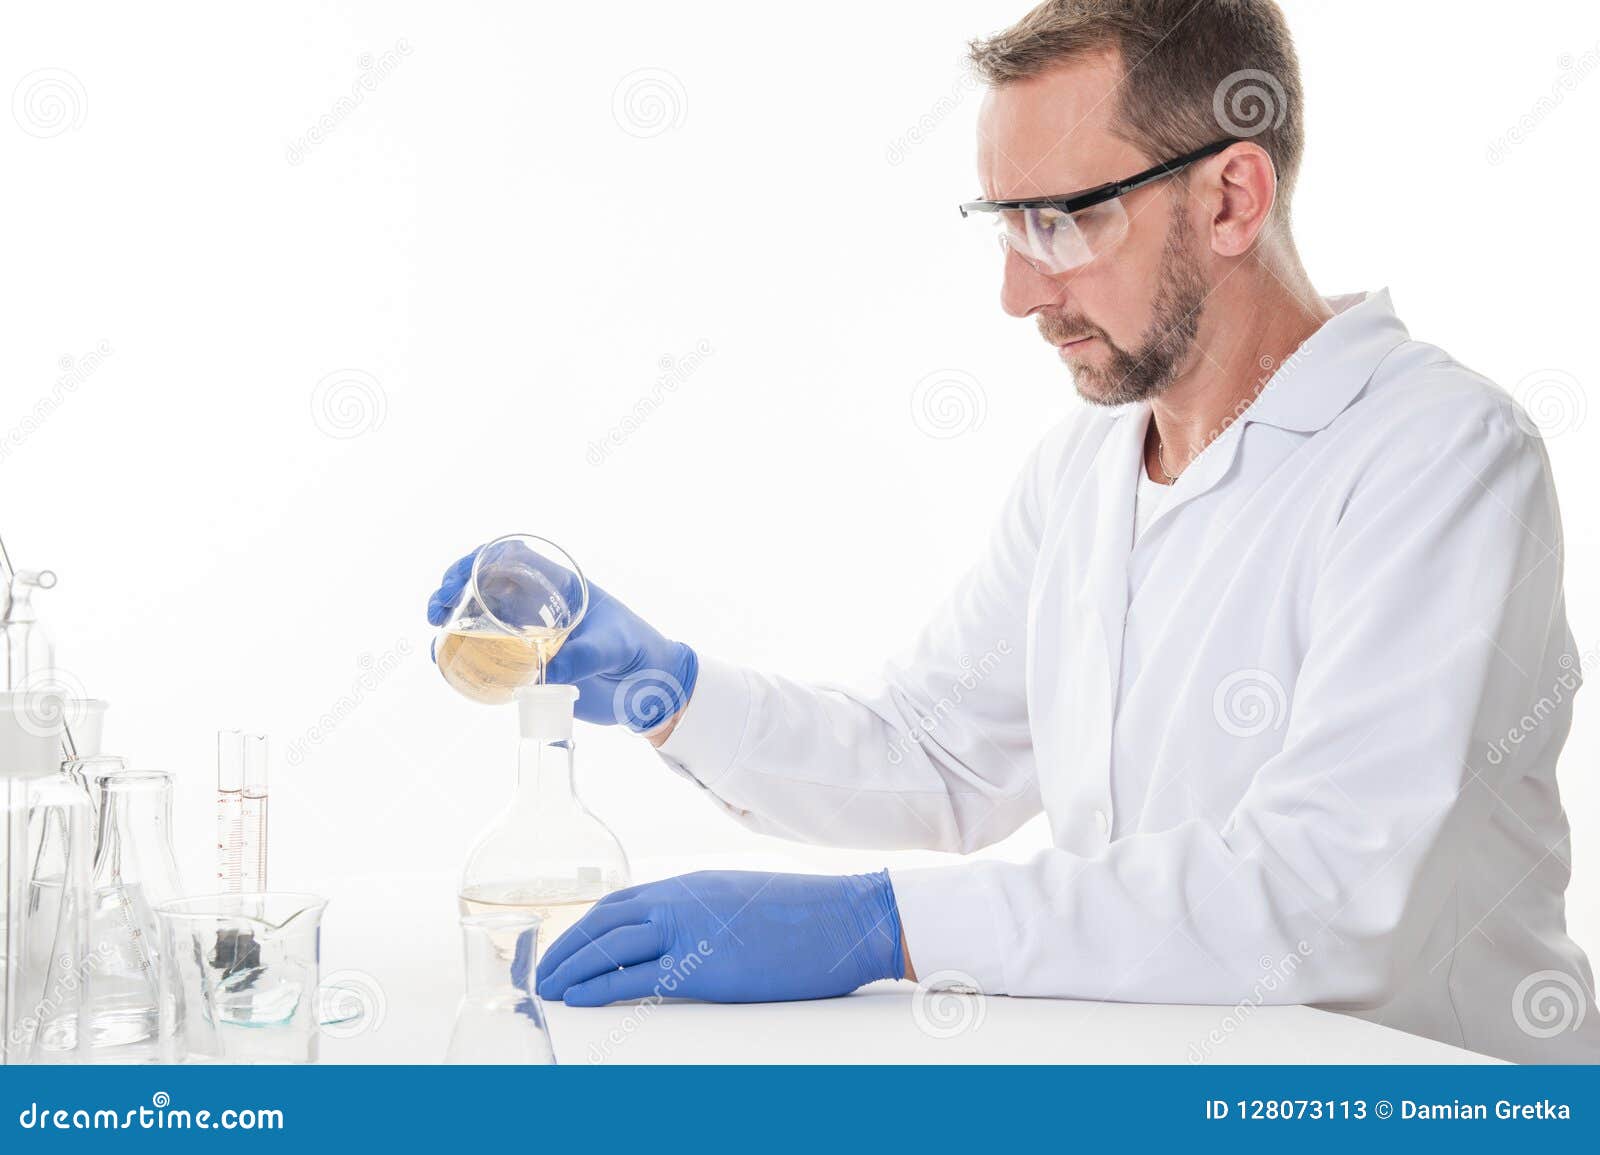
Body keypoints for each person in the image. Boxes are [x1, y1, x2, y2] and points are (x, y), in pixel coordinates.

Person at [428, 0, 1598, 1063]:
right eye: (1005, 224)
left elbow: (1322, 896)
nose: (1018, 293)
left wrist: (881, 925)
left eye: (1064, 221)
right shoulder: (1088, 468)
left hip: (1436, 1103)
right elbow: (939, 756)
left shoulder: (1438, 458)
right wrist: (666, 685)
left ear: (1232, 196)